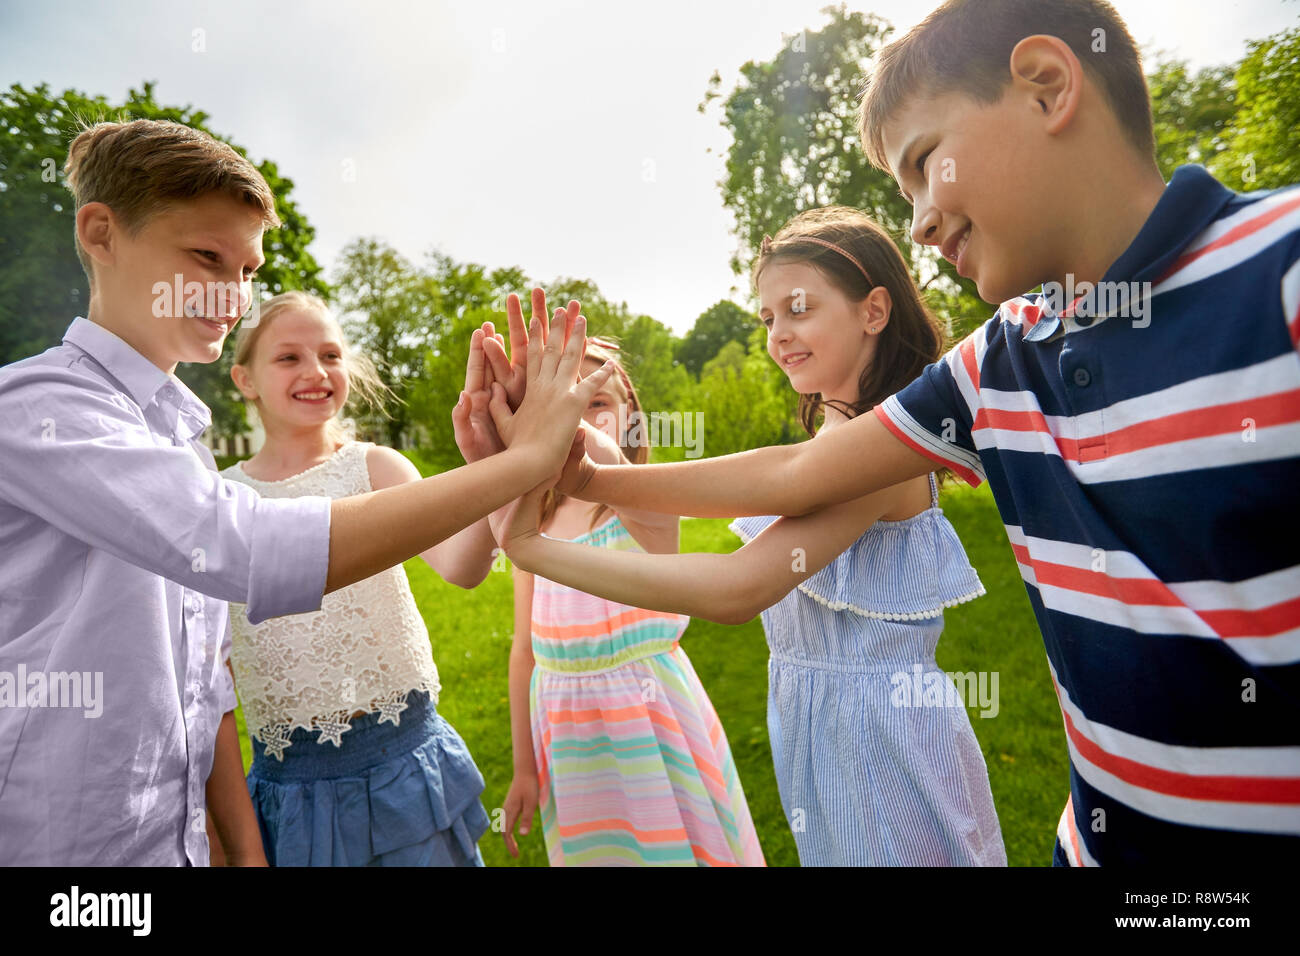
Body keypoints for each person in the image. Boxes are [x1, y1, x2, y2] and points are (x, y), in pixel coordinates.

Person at [513, 0, 1300, 865]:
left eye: (926, 164)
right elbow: (789, 477)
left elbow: (750, 564)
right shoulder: (999, 358)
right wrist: (587, 480)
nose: (920, 219)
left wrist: (548, 530)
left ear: (1046, 87)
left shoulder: (1279, 269)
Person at [0, 117, 608, 865]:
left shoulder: (176, 440)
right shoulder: (39, 408)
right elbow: (251, 549)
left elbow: (201, 691)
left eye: (248, 271)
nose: (232, 293)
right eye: (205, 257)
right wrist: (518, 463)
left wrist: (505, 458)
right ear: (101, 233)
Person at [489, 207, 1005, 865]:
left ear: (873, 311)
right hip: (825, 736)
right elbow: (775, 477)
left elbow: (737, 584)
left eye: (798, 309)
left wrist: (541, 542)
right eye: (768, 320)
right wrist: (591, 475)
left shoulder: (880, 450)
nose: (779, 334)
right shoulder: (837, 444)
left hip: (885, 743)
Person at [220, 291, 507, 865]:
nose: (316, 372)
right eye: (288, 358)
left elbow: (463, 566)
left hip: (405, 762)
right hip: (294, 788)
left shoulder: (376, 468)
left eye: (330, 354)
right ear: (245, 379)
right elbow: (210, 682)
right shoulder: (222, 502)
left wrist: (496, 467)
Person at [493, 335, 764, 866]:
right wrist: (525, 767)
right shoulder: (532, 524)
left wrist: (566, 422)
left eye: (597, 401)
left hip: (651, 717)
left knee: (677, 847)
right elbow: (524, 649)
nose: (579, 413)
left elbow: (657, 526)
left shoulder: (641, 501)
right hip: (568, 732)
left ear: (630, 417)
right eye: (564, 399)